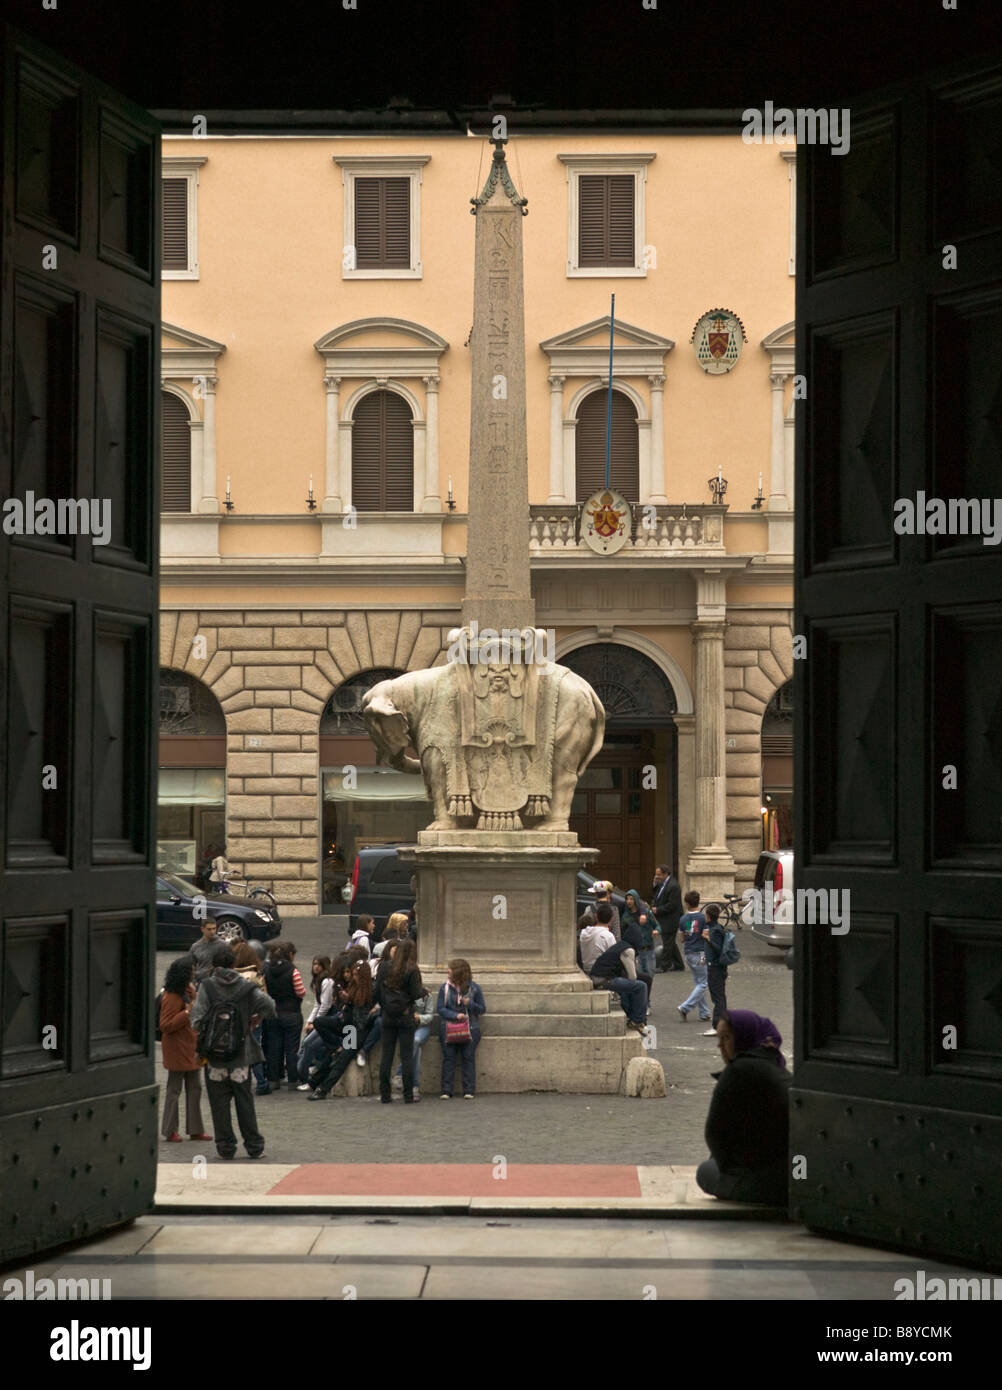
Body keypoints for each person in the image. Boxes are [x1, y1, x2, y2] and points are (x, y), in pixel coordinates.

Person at [190, 943, 276, 1160]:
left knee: (219, 1105)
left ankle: (225, 1147)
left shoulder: (207, 987)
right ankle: (254, 1146)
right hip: (241, 1053)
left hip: (214, 1057)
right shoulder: (246, 987)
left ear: (214, 964)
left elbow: (196, 1020)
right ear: (233, 963)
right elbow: (269, 1006)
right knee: (244, 1101)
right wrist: (255, 1018)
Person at [696, 1010, 791, 1204]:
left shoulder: (737, 1070)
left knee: (705, 1170)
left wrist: (729, 1170)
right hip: (793, 1178)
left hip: (763, 1183)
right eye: (719, 1038)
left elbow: (714, 1133)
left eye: (727, 1038)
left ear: (743, 1037)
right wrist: (801, 1181)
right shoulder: (778, 1068)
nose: (720, 1046)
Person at [309, 959, 378, 1099]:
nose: (354, 977)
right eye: (353, 974)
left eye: (356, 975)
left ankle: (322, 1088)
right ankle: (334, 1049)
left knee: (342, 1059)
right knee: (320, 1024)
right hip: (348, 1025)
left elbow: (365, 1016)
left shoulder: (371, 990)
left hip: (358, 1030)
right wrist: (346, 1000)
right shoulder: (354, 987)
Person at [159, 958, 211, 1143]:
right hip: (177, 1047)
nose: (194, 973)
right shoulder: (172, 997)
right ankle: (169, 1129)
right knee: (174, 1089)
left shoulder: (190, 991)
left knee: (195, 1088)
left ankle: (195, 1129)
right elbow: (166, 1025)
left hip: (191, 1045)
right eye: (191, 970)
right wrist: (186, 1012)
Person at [373, 936, 424, 1103]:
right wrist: (424, 992)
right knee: (406, 1056)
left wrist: (386, 1006)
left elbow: (377, 991)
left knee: (386, 1055)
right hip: (405, 1015)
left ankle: (385, 1094)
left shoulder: (385, 966)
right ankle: (408, 1095)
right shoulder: (412, 969)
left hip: (388, 1015)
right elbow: (415, 993)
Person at [437, 959, 486, 1099]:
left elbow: (482, 1009)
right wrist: (455, 1015)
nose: (448, 971)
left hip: (470, 1027)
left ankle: (469, 1089)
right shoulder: (445, 988)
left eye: (450, 969)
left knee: (468, 1058)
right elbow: (440, 1008)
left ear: (458, 972)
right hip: (448, 1027)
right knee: (448, 1058)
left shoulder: (474, 988)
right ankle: (446, 1090)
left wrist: (470, 1003)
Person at [262, 941, 306, 1089]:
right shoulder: (293, 971)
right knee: (291, 1049)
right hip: (292, 1013)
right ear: (290, 955)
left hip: (274, 1013)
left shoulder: (267, 970)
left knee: (274, 1047)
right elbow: (300, 992)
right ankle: (293, 1080)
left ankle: (273, 1079)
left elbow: (265, 991)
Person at [588, 933, 649, 1034]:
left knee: (628, 985)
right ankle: (637, 1020)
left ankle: (631, 1014)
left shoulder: (620, 945)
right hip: (604, 979)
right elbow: (633, 976)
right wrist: (634, 961)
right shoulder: (628, 950)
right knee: (641, 986)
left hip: (598, 977)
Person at [231, 940, 269, 1092]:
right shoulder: (256, 975)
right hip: (254, 1019)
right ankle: (261, 1082)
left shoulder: (231, 975)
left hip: (235, 1019)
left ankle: (237, 1080)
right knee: (254, 1049)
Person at [296, 955, 336, 1088]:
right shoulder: (320, 981)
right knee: (307, 1044)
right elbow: (317, 1004)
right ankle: (303, 1074)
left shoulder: (327, 981)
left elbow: (325, 1005)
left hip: (326, 1021)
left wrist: (314, 1022)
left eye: (319, 964)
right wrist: (310, 1021)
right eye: (314, 964)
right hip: (322, 1020)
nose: (316, 967)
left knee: (308, 1044)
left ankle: (303, 1076)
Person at [393, 983, 435, 1098]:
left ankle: (399, 1073)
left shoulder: (427, 995)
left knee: (415, 1040)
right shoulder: (404, 995)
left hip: (422, 1027)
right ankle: (414, 1087)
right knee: (417, 1050)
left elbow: (430, 1016)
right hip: (407, 1027)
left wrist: (419, 1018)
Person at [677, 890, 711, 1024]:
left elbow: (682, 938)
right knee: (704, 983)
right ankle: (685, 1007)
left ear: (686, 903)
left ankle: (704, 1012)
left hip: (688, 953)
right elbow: (705, 935)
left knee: (699, 983)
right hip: (701, 953)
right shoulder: (703, 918)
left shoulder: (684, 919)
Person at [622, 889, 657, 990]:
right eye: (627, 899)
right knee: (640, 976)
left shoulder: (646, 913)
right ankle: (643, 1000)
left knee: (650, 974)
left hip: (649, 948)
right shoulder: (626, 917)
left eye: (631, 899)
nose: (629, 901)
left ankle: (647, 999)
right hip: (637, 951)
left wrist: (656, 931)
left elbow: (657, 926)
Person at [651, 865, 685, 970]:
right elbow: (657, 895)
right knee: (670, 942)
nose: (657, 876)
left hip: (671, 919)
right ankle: (679, 965)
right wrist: (655, 883)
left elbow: (672, 905)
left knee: (667, 943)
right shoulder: (662, 884)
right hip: (664, 918)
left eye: (659, 875)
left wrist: (658, 910)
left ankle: (664, 966)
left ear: (666, 874)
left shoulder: (673, 886)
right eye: (656, 874)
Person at [702, 903, 729, 1035]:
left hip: (716, 968)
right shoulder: (715, 928)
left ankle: (717, 1026)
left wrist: (708, 940)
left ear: (708, 916)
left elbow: (717, 949)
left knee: (718, 997)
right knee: (720, 997)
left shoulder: (715, 931)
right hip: (716, 966)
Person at [577, 909, 614, 974]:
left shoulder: (583, 933)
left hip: (585, 970)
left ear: (596, 916)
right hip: (601, 973)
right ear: (611, 919)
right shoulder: (609, 936)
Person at [187, 918, 220, 984]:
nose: (212, 932)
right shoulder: (195, 947)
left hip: (218, 982)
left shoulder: (223, 945)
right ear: (202, 929)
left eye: (214, 928)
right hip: (200, 982)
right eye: (209, 929)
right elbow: (189, 966)